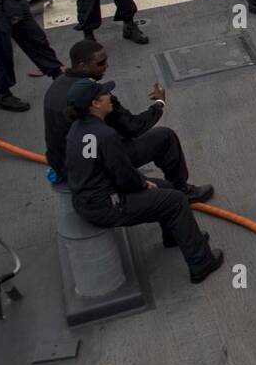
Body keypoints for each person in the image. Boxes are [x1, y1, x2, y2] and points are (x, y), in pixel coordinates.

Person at [64, 78, 224, 284]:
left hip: (89, 198)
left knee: (165, 187)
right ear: (95, 104)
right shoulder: (105, 135)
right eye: (105, 94)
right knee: (175, 201)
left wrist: (141, 183)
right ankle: (201, 264)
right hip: (107, 205)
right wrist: (142, 184)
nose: (110, 97)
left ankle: (175, 236)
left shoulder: (77, 129)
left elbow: (103, 167)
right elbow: (123, 174)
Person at [44, 40, 213, 203]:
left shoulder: (56, 85)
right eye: (101, 63)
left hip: (62, 163)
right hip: (91, 171)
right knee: (165, 138)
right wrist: (159, 104)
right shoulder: (95, 95)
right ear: (82, 66)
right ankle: (182, 190)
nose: (106, 66)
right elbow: (132, 127)